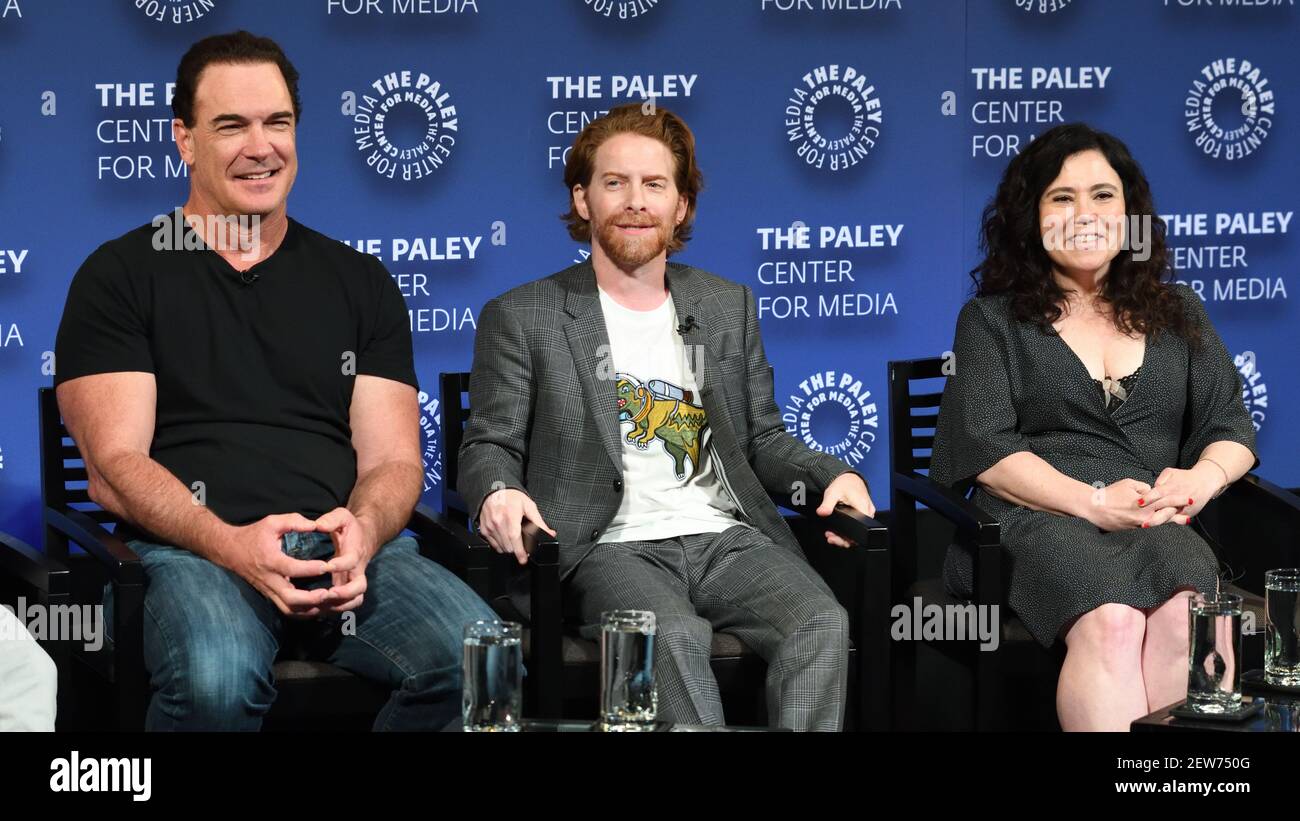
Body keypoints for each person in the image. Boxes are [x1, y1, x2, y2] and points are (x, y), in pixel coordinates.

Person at [53, 31, 495, 731]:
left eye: (277, 122)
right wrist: (234, 546)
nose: (260, 146)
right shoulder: (119, 277)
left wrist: (365, 530)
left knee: (480, 665)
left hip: (346, 553)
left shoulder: (360, 283)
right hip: (193, 552)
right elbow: (113, 469)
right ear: (184, 140)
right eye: (231, 125)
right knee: (215, 681)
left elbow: (393, 460)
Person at [459, 103, 876, 731]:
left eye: (655, 184)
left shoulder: (725, 304)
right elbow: (488, 443)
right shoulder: (522, 315)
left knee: (821, 621)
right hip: (608, 546)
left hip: (725, 538)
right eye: (614, 182)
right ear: (582, 199)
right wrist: (499, 490)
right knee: (670, 636)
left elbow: (763, 437)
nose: (635, 201)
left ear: (680, 206)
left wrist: (832, 474)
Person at [930, 123, 1257, 731]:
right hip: (1031, 521)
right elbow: (985, 451)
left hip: (1152, 521)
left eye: (1103, 195)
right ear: (1031, 217)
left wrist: (1200, 480)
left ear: (1130, 211)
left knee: (1190, 612)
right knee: (1113, 619)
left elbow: (1231, 424)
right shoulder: (990, 320)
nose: (1086, 213)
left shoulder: (1178, 311)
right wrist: (1093, 503)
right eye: (1062, 197)